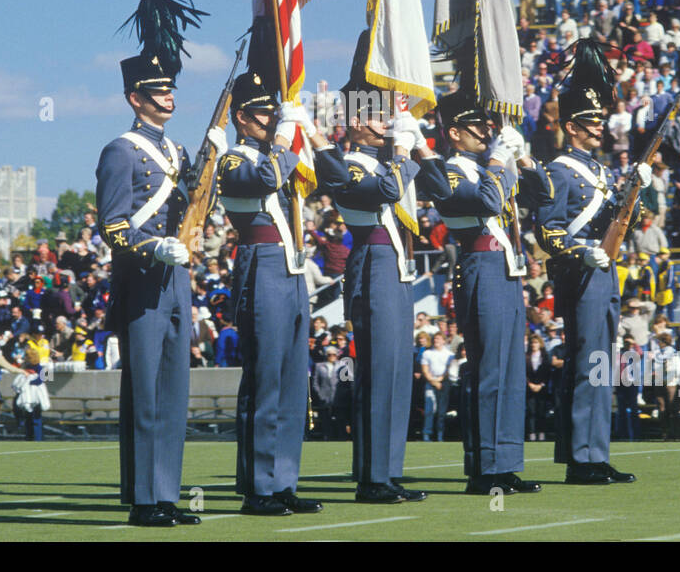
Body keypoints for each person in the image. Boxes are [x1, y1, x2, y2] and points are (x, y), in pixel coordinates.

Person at [96, 0, 206, 527]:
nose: (170, 97)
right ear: (135, 97)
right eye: (159, 91)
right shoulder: (121, 151)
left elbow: (189, 208)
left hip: (176, 282)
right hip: (143, 281)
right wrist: (155, 248)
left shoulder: (178, 149)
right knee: (145, 392)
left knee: (174, 393)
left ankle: (166, 493)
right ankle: (143, 499)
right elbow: (112, 226)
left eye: (171, 90)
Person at [220, 65, 343, 516]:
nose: (272, 121)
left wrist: (315, 133)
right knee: (266, 378)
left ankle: (283, 480)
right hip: (263, 266)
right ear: (241, 118)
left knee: (294, 382)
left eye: (274, 115)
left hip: (292, 271)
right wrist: (282, 139)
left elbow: (338, 178)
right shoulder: (234, 158)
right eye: (262, 116)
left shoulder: (277, 151)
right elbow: (264, 180)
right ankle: (258, 486)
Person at [415, 90, 544, 494]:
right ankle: (484, 468)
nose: (487, 133)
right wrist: (497, 160)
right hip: (480, 266)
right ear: (455, 133)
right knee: (488, 368)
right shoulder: (450, 170)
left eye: (488, 127)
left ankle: (504, 463)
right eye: (477, 127)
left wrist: (522, 158)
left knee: (509, 369)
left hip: (505, 269)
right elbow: (489, 201)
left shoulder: (488, 164)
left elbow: (542, 196)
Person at [320, 41, 428, 505]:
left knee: (398, 371)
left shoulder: (390, 159)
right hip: (373, 262)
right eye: (377, 115)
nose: (386, 123)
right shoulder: (345, 164)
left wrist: (419, 146)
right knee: (378, 370)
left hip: (395, 267)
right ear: (357, 121)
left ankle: (387, 471)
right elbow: (386, 191)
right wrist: (402, 152)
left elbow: (439, 185)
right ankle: (370, 477)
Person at [536, 39, 648, 484]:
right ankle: (582, 459)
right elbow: (547, 230)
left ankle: (594, 452)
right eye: (589, 122)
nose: (598, 128)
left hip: (606, 271)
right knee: (585, 361)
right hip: (580, 272)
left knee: (602, 362)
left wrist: (638, 189)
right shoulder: (558, 171)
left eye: (599, 120)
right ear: (570, 126)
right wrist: (584, 252)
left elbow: (626, 220)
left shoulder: (602, 172)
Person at [420, 333, 453, 442]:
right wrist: (433, 381)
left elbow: (449, 371)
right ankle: (427, 434)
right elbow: (425, 370)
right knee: (429, 409)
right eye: (435, 338)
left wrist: (440, 381)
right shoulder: (427, 353)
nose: (436, 340)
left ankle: (440, 435)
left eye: (439, 338)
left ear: (444, 341)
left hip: (444, 383)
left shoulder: (450, 354)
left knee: (441, 411)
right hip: (430, 383)